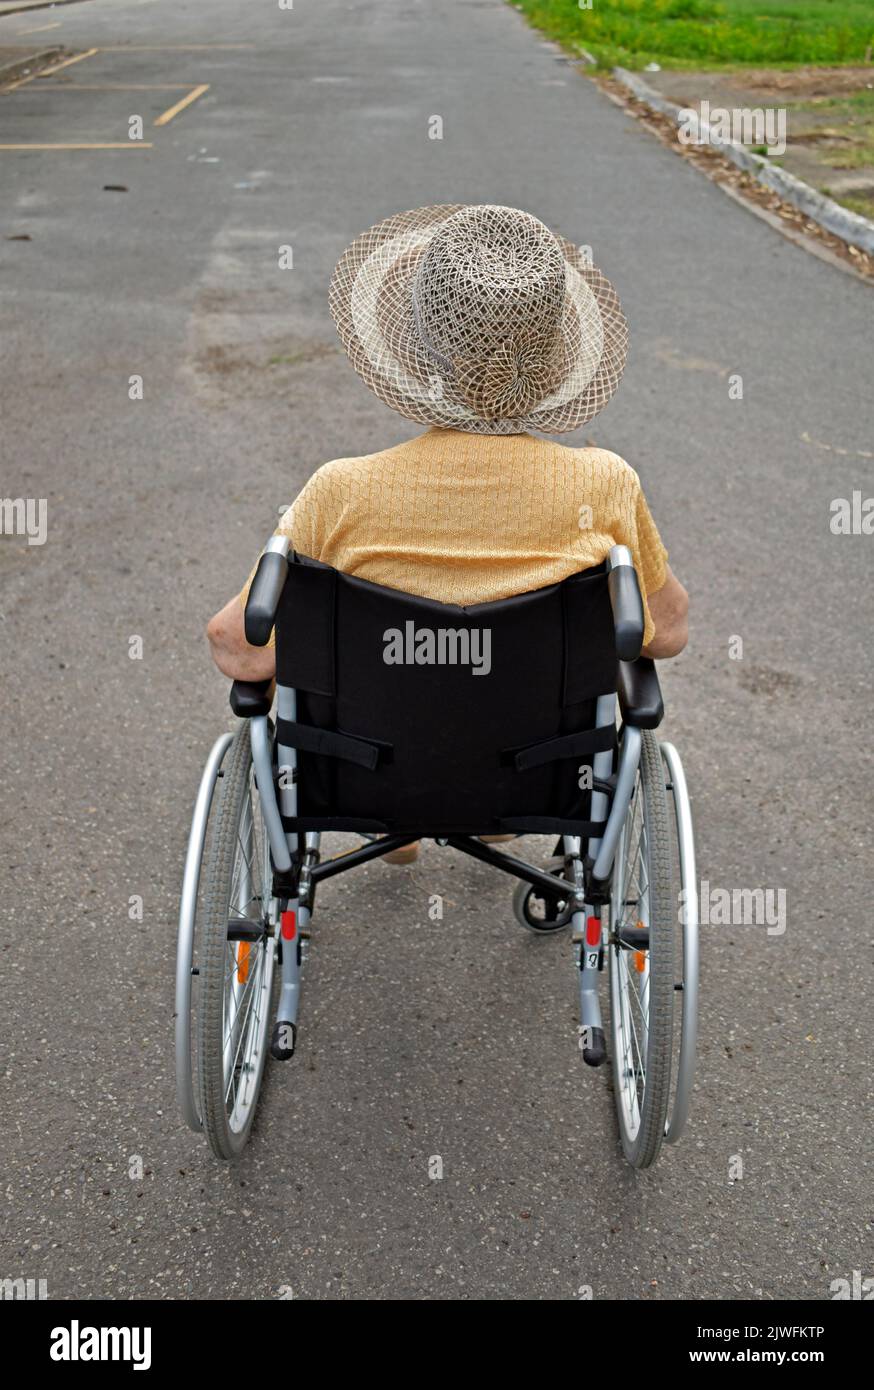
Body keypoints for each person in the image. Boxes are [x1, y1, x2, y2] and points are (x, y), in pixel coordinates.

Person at [208, 204, 689, 863]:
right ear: (552, 357)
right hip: (535, 769)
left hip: (366, 771)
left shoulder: (338, 490)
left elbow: (240, 649)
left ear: (420, 345)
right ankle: (489, 805)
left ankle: (395, 822)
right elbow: (667, 633)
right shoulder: (603, 485)